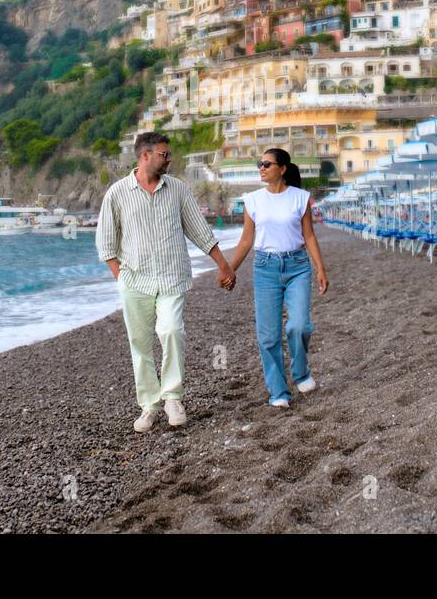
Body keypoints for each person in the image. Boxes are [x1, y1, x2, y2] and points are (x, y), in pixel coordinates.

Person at [96, 132, 236, 433]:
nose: (169, 159)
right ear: (145, 155)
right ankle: (149, 406)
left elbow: (199, 231)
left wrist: (224, 265)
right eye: (164, 154)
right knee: (140, 344)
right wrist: (121, 279)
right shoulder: (117, 193)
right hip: (134, 281)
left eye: (168, 154)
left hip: (172, 276)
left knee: (172, 331)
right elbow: (106, 243)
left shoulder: (179, 190)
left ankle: (173, 397)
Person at [227, 148, 329, 408]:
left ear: (282, 169)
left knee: (300, 326)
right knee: (269, 336)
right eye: (259, 164)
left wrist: (320, 268)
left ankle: (301, 371)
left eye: (267, 164)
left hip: (297, 266)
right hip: (265, 269)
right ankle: (278, 391)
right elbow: (246, 240)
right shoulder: (252, 200)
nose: (261, 168)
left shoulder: (300, 198)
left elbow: (308, 236)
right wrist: (229, 269)